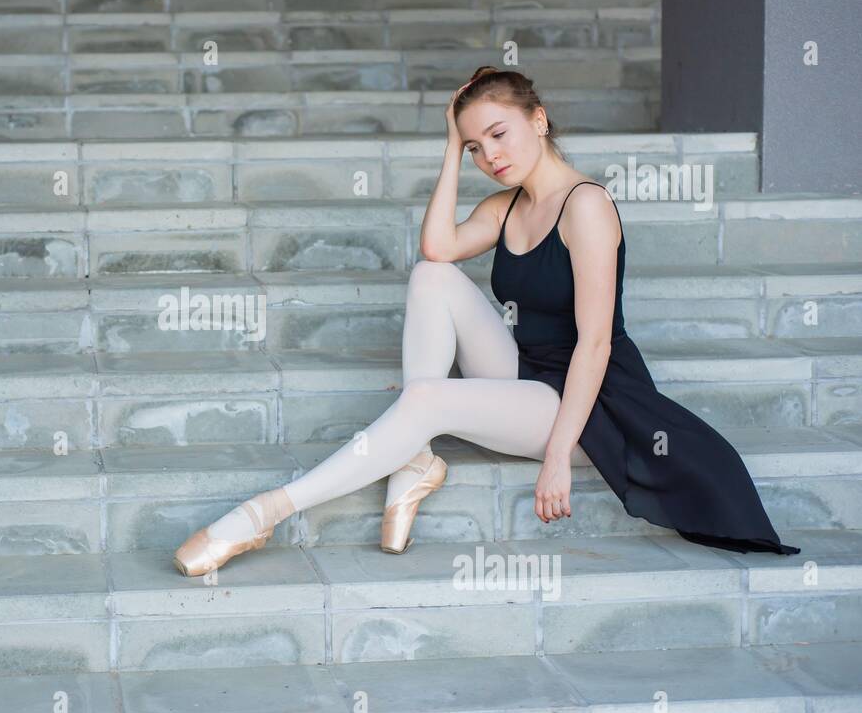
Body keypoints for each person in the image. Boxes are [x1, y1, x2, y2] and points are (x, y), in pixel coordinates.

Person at [173, 67, 799, 577]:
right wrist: (450, 144)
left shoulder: (586, 206)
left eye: (498, 135)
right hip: (526, 377)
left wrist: (557, 457)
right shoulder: (506, 206)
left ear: (539, 120)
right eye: (476, 146)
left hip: (590, 408)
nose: (488, 156)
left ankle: (261, 515)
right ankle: (413, 455)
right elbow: (438, 248)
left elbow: (597, 344)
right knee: (431, 277)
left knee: (426, 394)